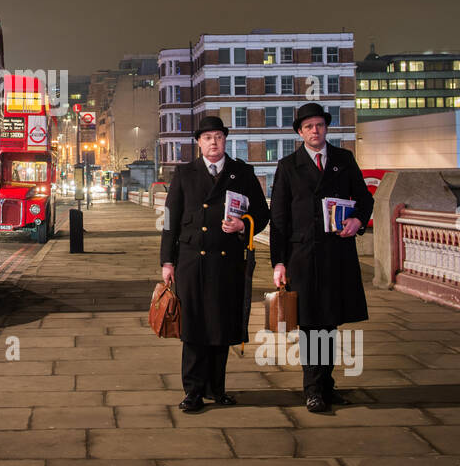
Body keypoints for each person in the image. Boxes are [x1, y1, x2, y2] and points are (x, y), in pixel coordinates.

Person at [269, 103, 374, 414]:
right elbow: (279, 218)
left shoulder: (344, 160)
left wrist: (357, 220)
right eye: (309, 127)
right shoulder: (289, 165)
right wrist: (279, 262)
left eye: (319, 125)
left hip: (336, 255)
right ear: (300, 132)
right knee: (310, 325)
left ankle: (326, 386)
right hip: (301, 256)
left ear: (326, 128)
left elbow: (364, 199)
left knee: (329, 323)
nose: (315, 131)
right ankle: (313, 389)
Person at [160, 116, 270, 413]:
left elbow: (261, 213)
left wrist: (242, 225)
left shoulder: (242, 172)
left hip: (227, 262)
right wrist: (167, 261)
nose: (213, 142)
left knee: (221, 326)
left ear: (225, 140)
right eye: (207, 137)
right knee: (194, 328)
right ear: (198, 143)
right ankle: (193, 391)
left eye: (218, 137)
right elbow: (170, 219)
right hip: (192, 262)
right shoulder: (185, 174)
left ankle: (216, 388)